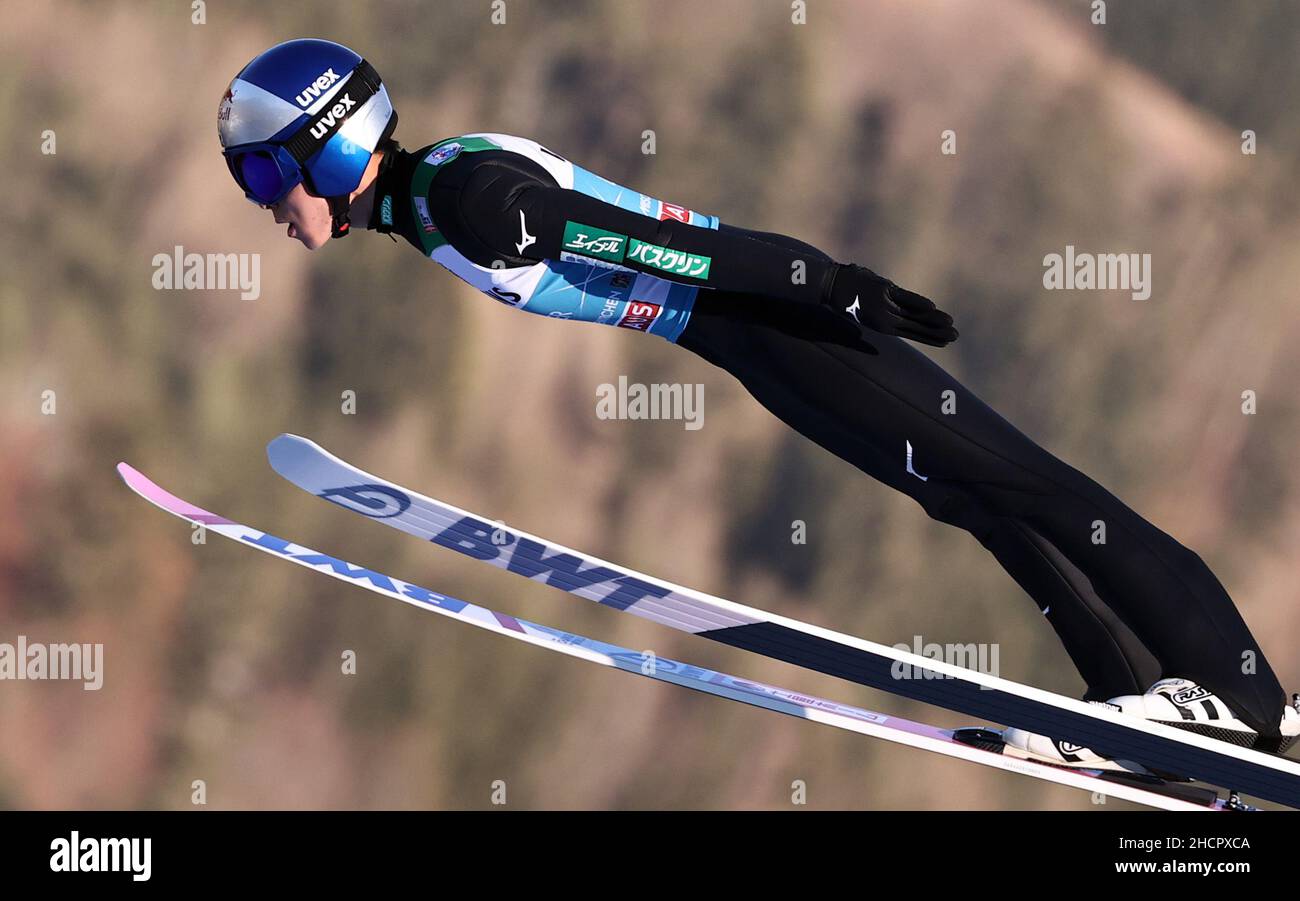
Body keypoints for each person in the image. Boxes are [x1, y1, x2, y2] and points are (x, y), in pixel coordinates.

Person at [217, 38, 1297, 768]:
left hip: (787, 325)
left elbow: (678, 247)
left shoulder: (470, 201)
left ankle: (1251, 702)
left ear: (335, 142)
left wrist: (826, 286)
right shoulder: (426, 201)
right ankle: (1145, 717)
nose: (264, 205)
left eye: (268, 178)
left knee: (1035, 488)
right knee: (980, 504)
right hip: (754, 345)